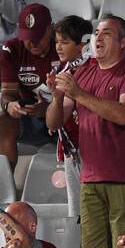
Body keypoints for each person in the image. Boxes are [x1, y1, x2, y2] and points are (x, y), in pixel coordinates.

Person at [47, 15, 125, 248]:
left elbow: (124, 114)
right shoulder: (82, 72)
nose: (98, 37)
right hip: (90, 180)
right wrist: (58, 97)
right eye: (96, 32)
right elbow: (53, 123)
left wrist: (78, 93)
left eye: (107, 32)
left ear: (124, 41)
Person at [0, 2, 56, 169]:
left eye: (38, 37)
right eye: (28, 38)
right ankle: (4, 187)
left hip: (64, 117)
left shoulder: (64, 45)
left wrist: (51, 109)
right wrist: (10, 106)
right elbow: (7, 94)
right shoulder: (12, 49)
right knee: (2, 120)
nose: (32, 43)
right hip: (30, 117)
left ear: (50, 29)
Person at [45, 15, 94, 215]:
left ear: (82, 44)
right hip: (71, 152)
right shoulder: (64, 69)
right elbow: (55, 122)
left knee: (91, 217)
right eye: (56, 42)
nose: (58, 47)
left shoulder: (92, 69)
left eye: (64, 42)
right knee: (77, 217)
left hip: (91, 153)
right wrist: (56, 99)